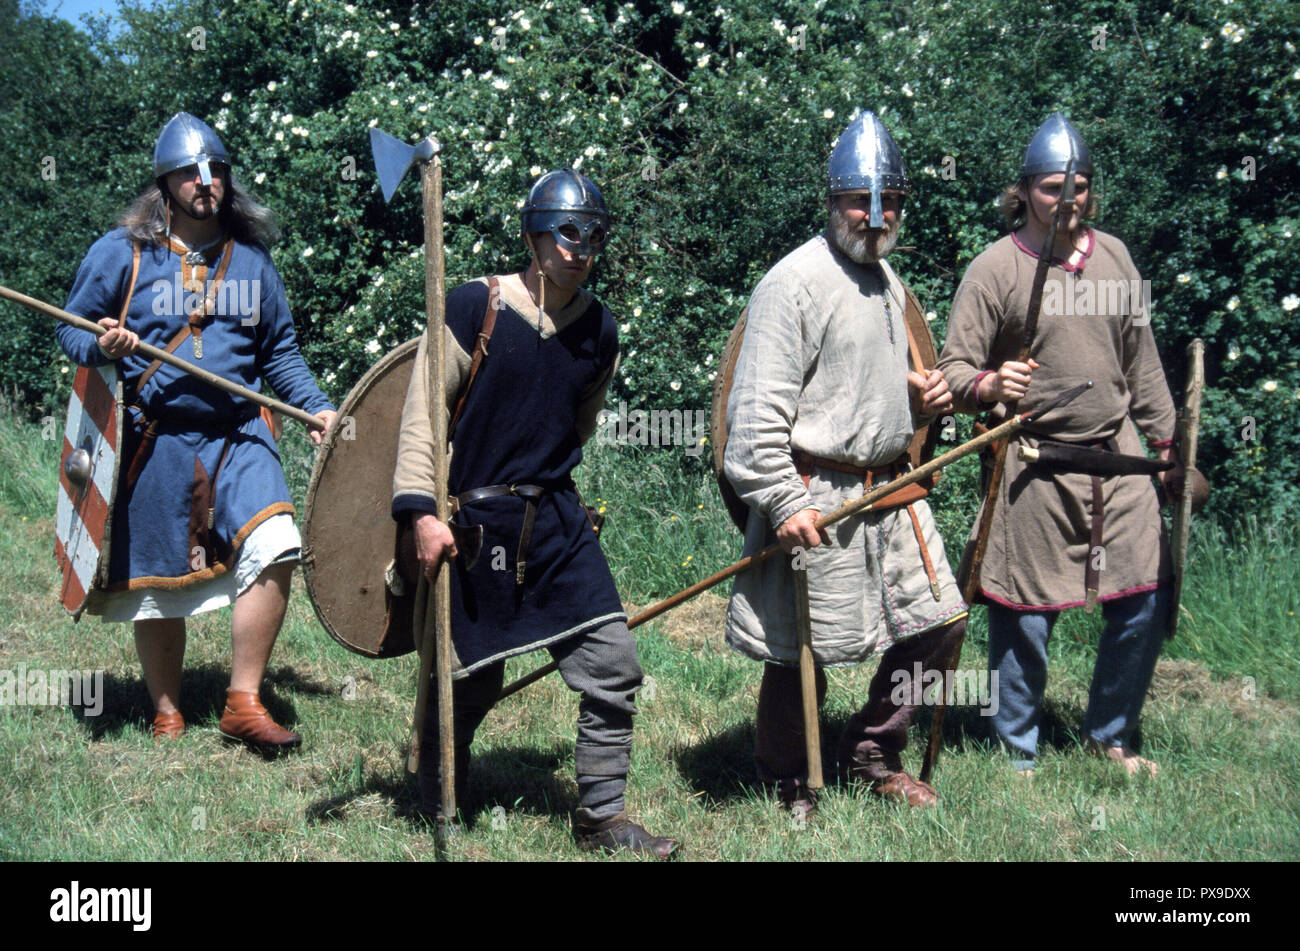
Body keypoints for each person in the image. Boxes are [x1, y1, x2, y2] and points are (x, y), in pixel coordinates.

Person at [391, 169, 678, 858]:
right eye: (567, 234)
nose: (580, 250)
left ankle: (601, 816)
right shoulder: (475, 306)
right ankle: (437, 790)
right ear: (534, 236)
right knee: (470, 677)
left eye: (593, 238)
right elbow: (423, 418)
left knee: (613, 663)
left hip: (555, 522)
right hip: (473, 524)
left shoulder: (600, 330)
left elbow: (579, 425)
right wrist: (422, 514)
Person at [56, 112, 337, 752]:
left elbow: (280, 355)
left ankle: (243, 702)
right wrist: (101, 343)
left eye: (214, 172)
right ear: (166, 183)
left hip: (240, 433)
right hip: (154, 437)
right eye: (189, 172)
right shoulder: (122, 253)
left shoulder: (253, 263)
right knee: (158, 583)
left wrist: (316, 408)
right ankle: (166, 710)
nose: (204, 182)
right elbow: (70, 328)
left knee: (277, 543)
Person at [723, 112, 970, 813]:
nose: (876, 215)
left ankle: (871, 748)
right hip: (815, 489)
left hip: (891, 487)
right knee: (798, 647)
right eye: (862, 201)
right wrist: (784, 499)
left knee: (941, 620)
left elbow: (857, 387)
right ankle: (787, 775)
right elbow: (754, 417)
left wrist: (921, 400)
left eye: (890, 201)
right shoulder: (793, 284)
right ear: (833, 201)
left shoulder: (888, 280)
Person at [936, 112, 1180, 777]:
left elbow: (1142, 362)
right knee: (1024, 614)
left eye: (1079, 186)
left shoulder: (1117, 258)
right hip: (1033, 461)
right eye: (1051, 187)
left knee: (1143, 596)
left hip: (1118, 456)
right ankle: (1016, 750)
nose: (1066, 198)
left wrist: (1167, 446)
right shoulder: (994, 269)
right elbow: (951, 370)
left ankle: (1110, 736)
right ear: (1023, 192)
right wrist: (990, 384)